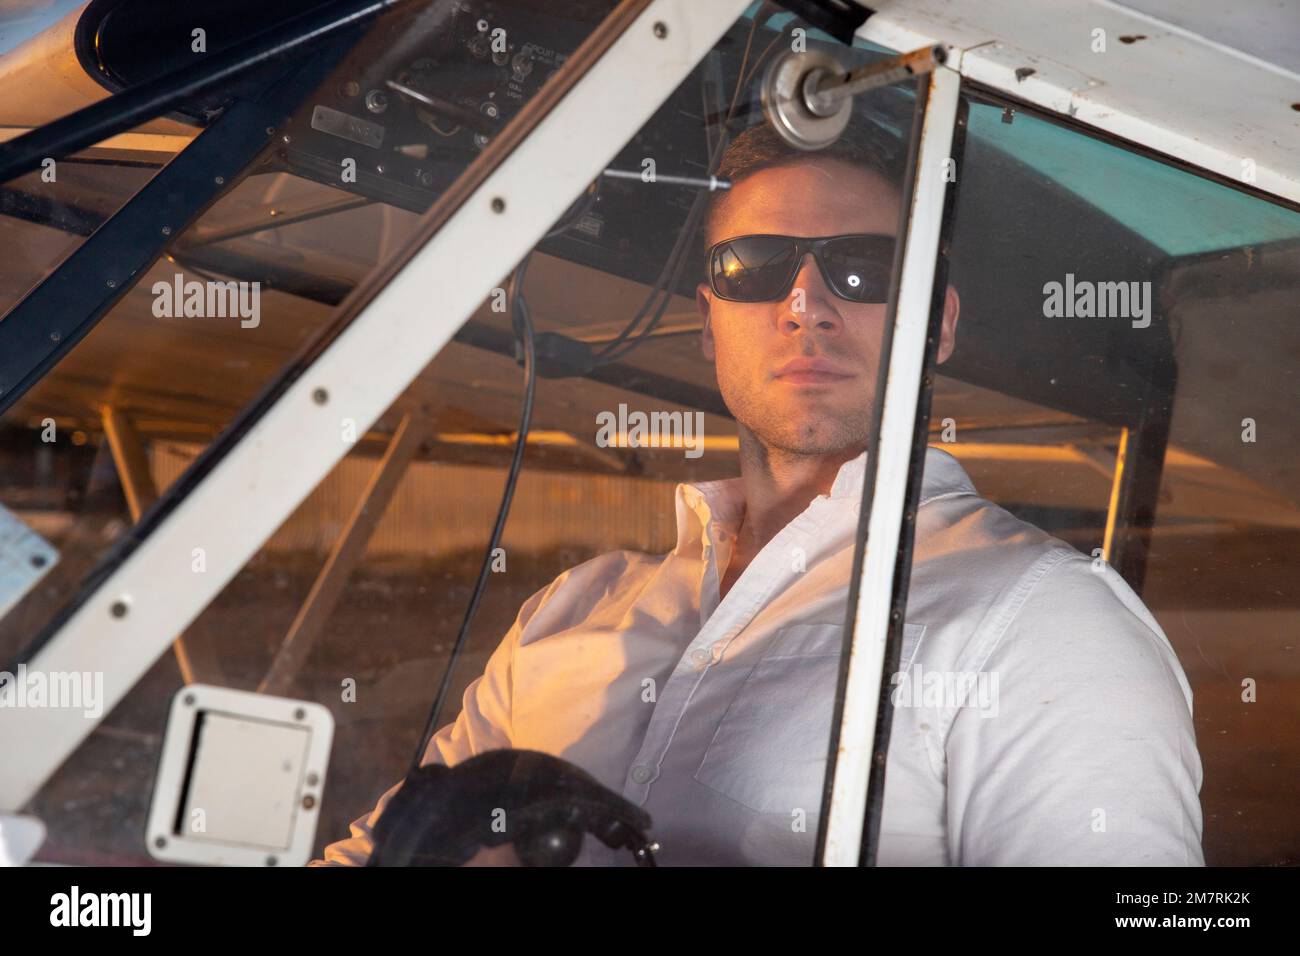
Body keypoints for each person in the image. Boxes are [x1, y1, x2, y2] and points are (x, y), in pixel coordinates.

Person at [313, 122, 1204, 866]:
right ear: (708, 322)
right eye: (757, 267)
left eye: (863, 269)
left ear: (938, 324)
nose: (805, 304)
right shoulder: (575, 605)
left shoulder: (1046, 618)